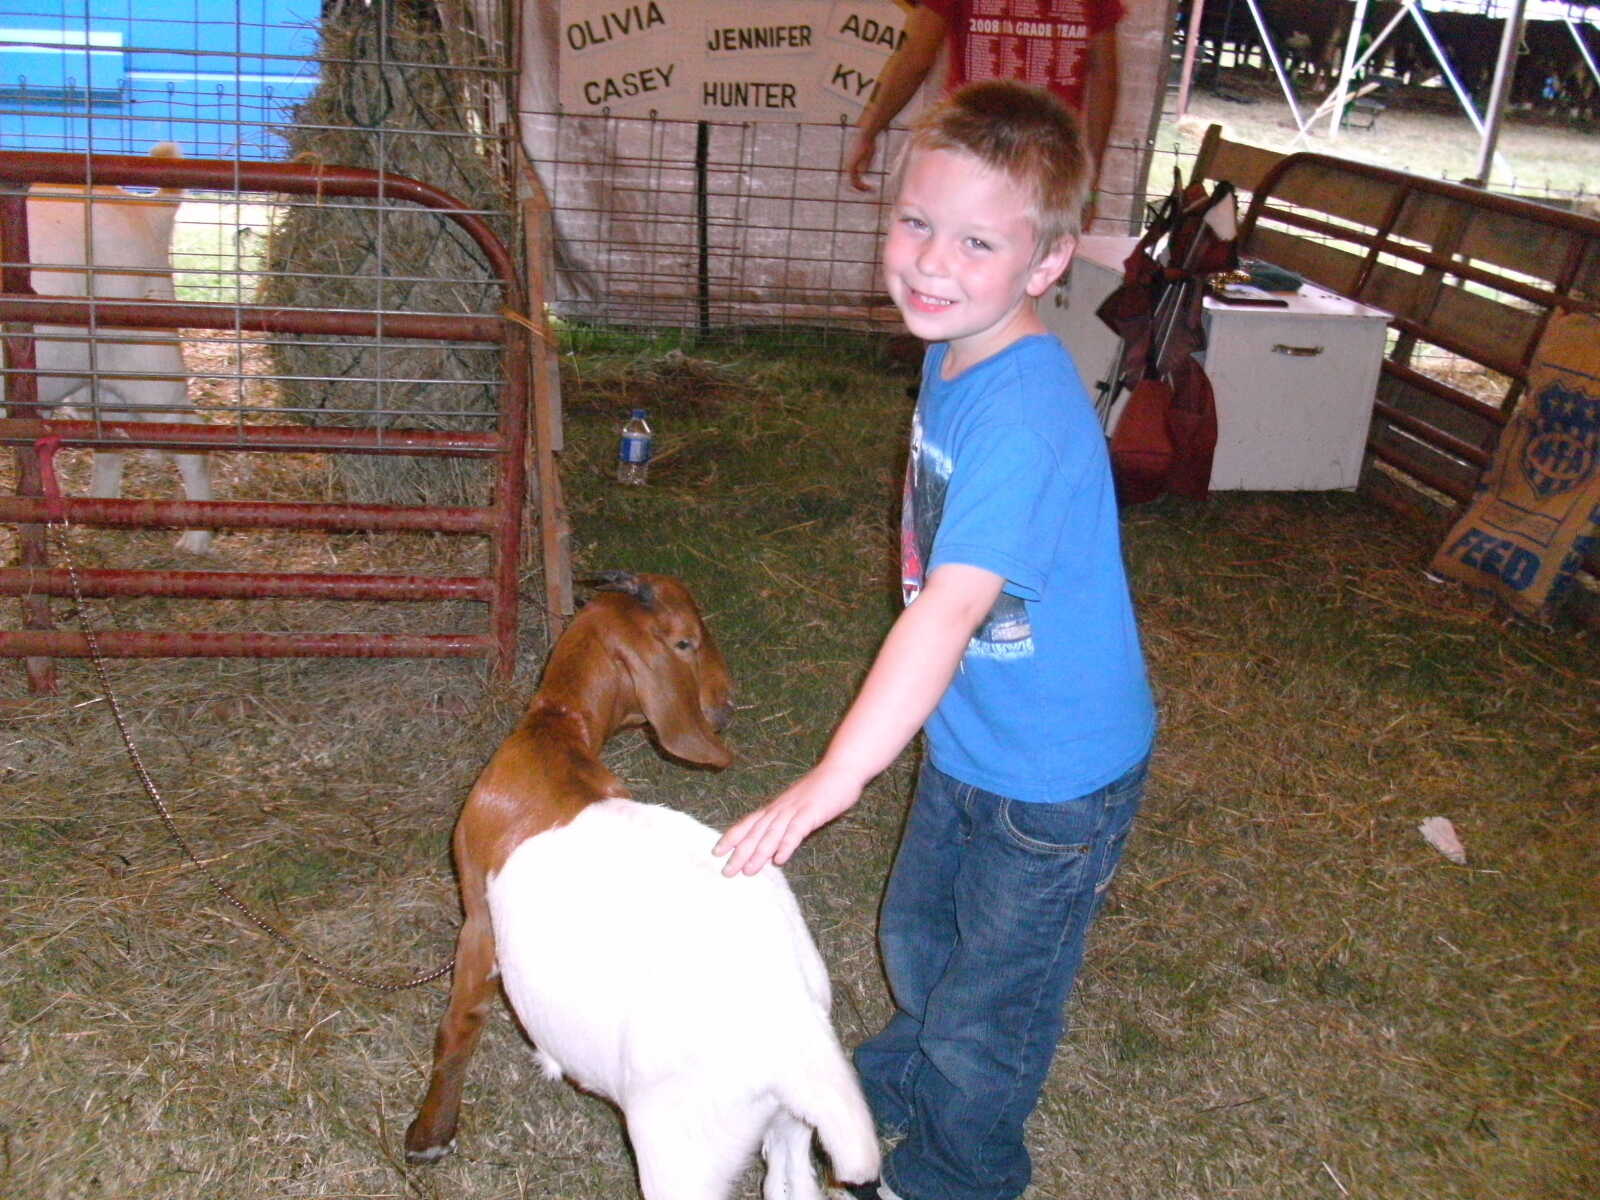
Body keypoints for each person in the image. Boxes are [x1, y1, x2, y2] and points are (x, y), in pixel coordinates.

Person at [716, 80, 1156, 1200]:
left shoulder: (1023, 411)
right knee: (921, 937)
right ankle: (902, 1083)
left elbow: (948, 608)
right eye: (914, 222)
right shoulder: (953, 344)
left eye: (974, 241)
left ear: (1045, 266)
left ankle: (961, 1174)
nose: (928, 262)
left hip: (1055, 779)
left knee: (992, 1004)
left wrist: (831, 779)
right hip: (970, 737)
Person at [845, 0, 1123, 220]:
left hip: (971, 148)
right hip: (1049, 156)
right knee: (1027, 266)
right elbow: (1104, 79)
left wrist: (870, 131)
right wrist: (1088, 180)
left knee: (963, 256)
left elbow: (918, 60)